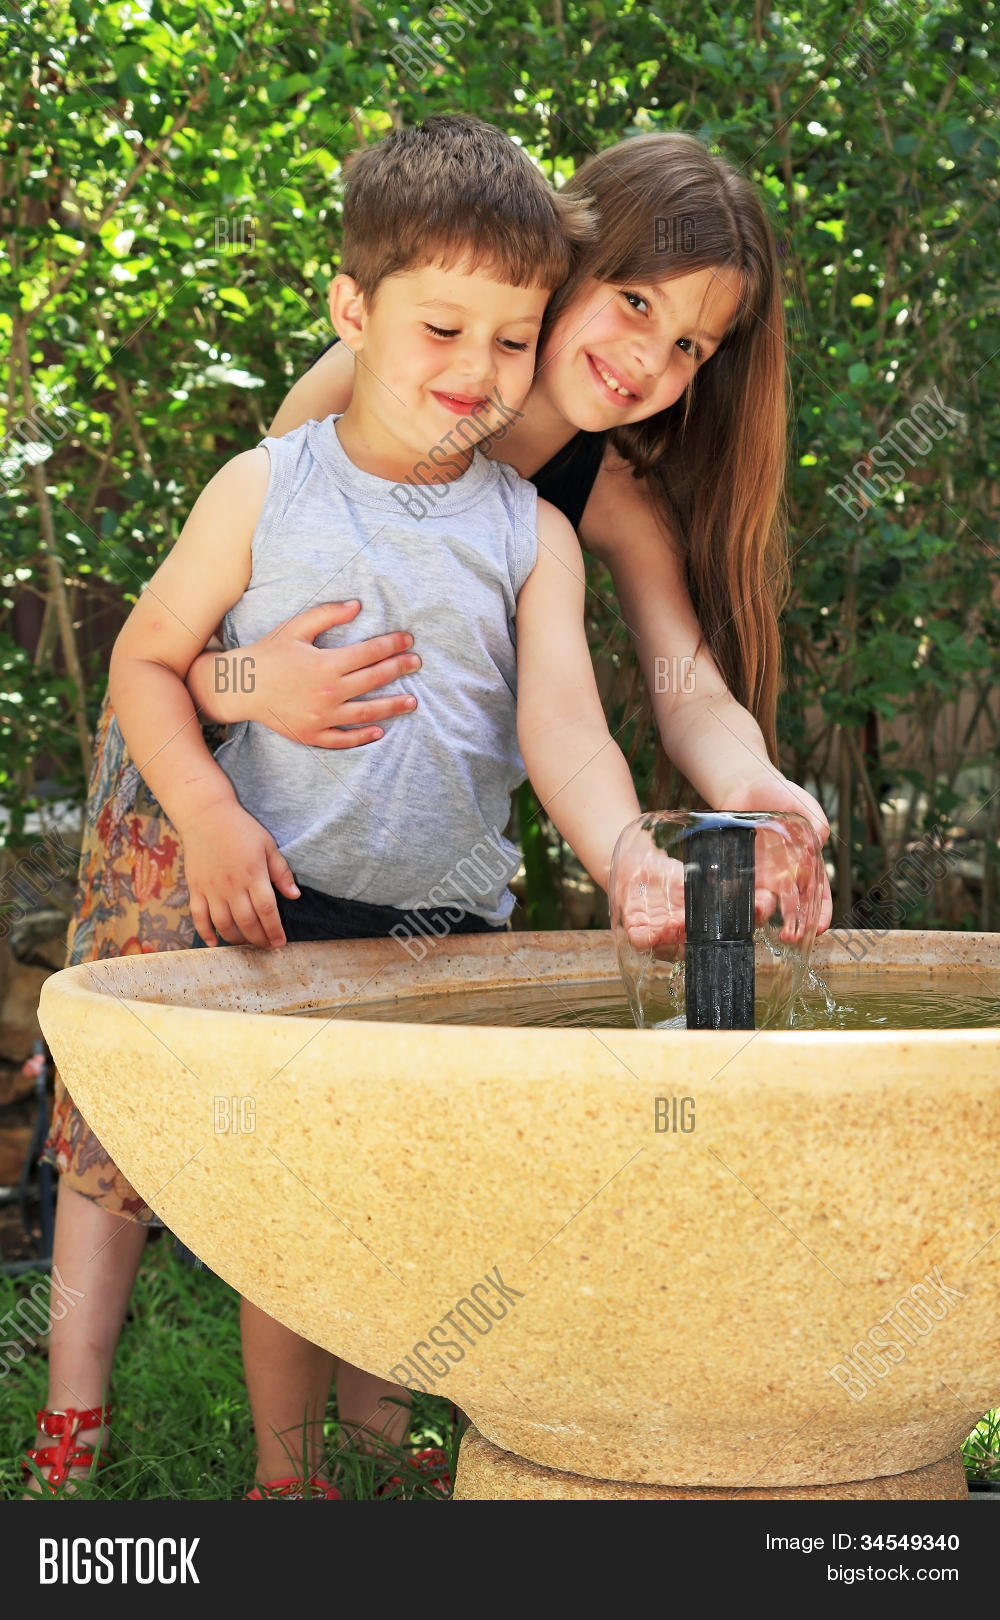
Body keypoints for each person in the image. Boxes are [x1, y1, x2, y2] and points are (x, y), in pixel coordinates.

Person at [27, 118, 831, 1496]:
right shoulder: (380, 372)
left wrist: (750, 782)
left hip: (380, 843)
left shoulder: (594, 507)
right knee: (120, 1126)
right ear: (567, 264)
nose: (646, 355)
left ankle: (367, 1438)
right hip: (205, 772)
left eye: (690, 344)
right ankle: (72, 1411)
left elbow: (674, 685)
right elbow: (219, 621)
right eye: (635, 300)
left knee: (358, 1167)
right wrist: (241, 705)